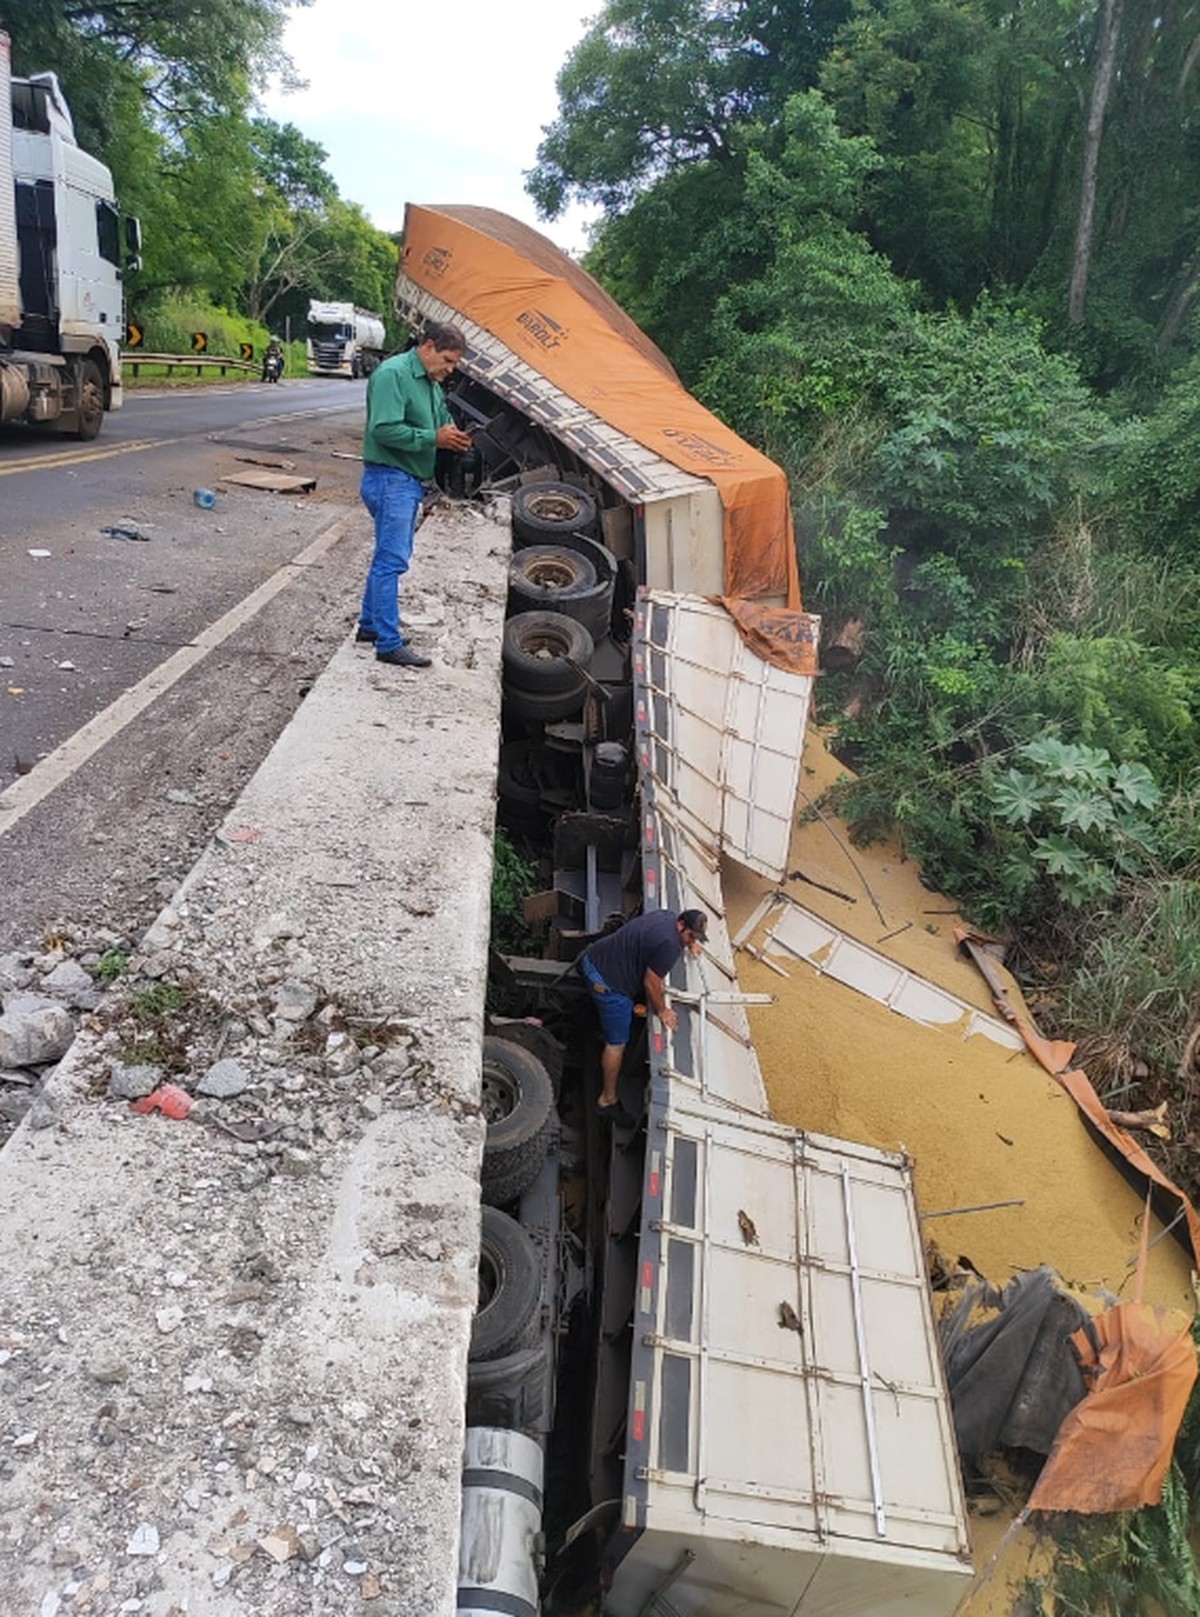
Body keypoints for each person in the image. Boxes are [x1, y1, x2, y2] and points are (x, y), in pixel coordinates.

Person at [357, 322, 473, 668]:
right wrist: (432, 439)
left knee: (385, 556)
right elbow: (384, 428)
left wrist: (455, 437)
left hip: (405, 481)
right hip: (389, 478)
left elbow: (441, 422)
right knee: (391, 561)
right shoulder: (393, 375)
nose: (450, 369)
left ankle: (369, 626)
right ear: (428, 347)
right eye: (448, 360)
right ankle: (388, 644)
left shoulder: (431, 384)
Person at [579, 908, 708, 1121]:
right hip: (607, 985)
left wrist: (691, 943)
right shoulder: (670, 945)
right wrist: (662, 1010)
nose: (690, 941)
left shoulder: (666, 915)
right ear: (681, 926)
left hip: (594, 957)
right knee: (616, 1045)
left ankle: (596, 1025)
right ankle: (607, 1100)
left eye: (695, 938)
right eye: (690, 936)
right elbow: (651, 982)